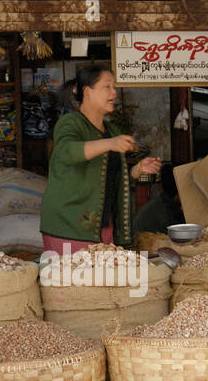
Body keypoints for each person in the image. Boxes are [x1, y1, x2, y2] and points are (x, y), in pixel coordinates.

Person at [39, 65, 161, 254]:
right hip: (68, 227)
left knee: (101, 282)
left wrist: (137, 170)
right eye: (107, 87)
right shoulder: (71, 123)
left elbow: (111, 180)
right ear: (87, 91)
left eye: (114, 87)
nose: (114, 93)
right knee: (71, 282)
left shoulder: (112, 130)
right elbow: (65, 152)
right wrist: (110, 144)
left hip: (104, 228)